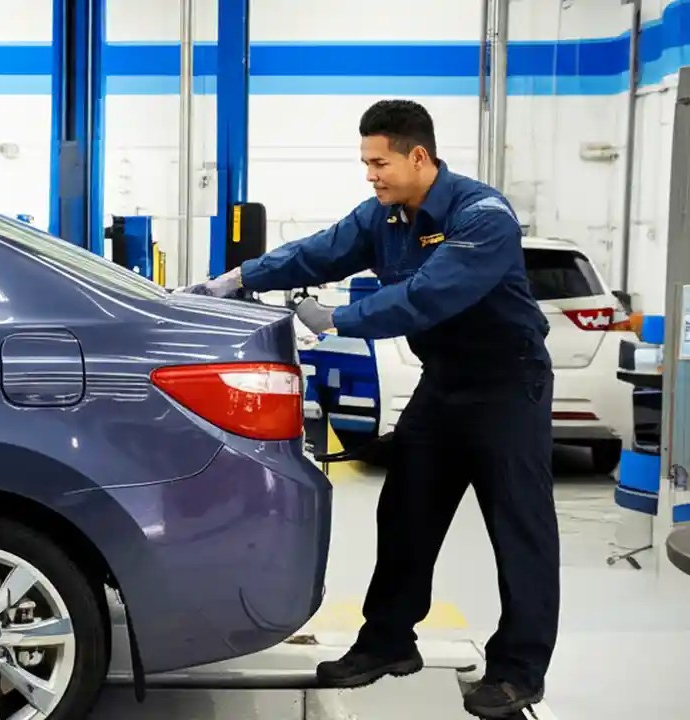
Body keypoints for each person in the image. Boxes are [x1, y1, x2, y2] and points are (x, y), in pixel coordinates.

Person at [179, 99, 559, 719]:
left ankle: (519, 668)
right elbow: (319, 251)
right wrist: (239, 277)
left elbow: (430, 296)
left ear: (419, 155)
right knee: (405, 511)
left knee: (520, 532)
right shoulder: (384, 216)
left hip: (507, 388)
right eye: (365, 163)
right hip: (444, 385)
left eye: (379, 162)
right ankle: (387, 641)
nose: (371, 175)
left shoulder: (482, 216)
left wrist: (340, 319)